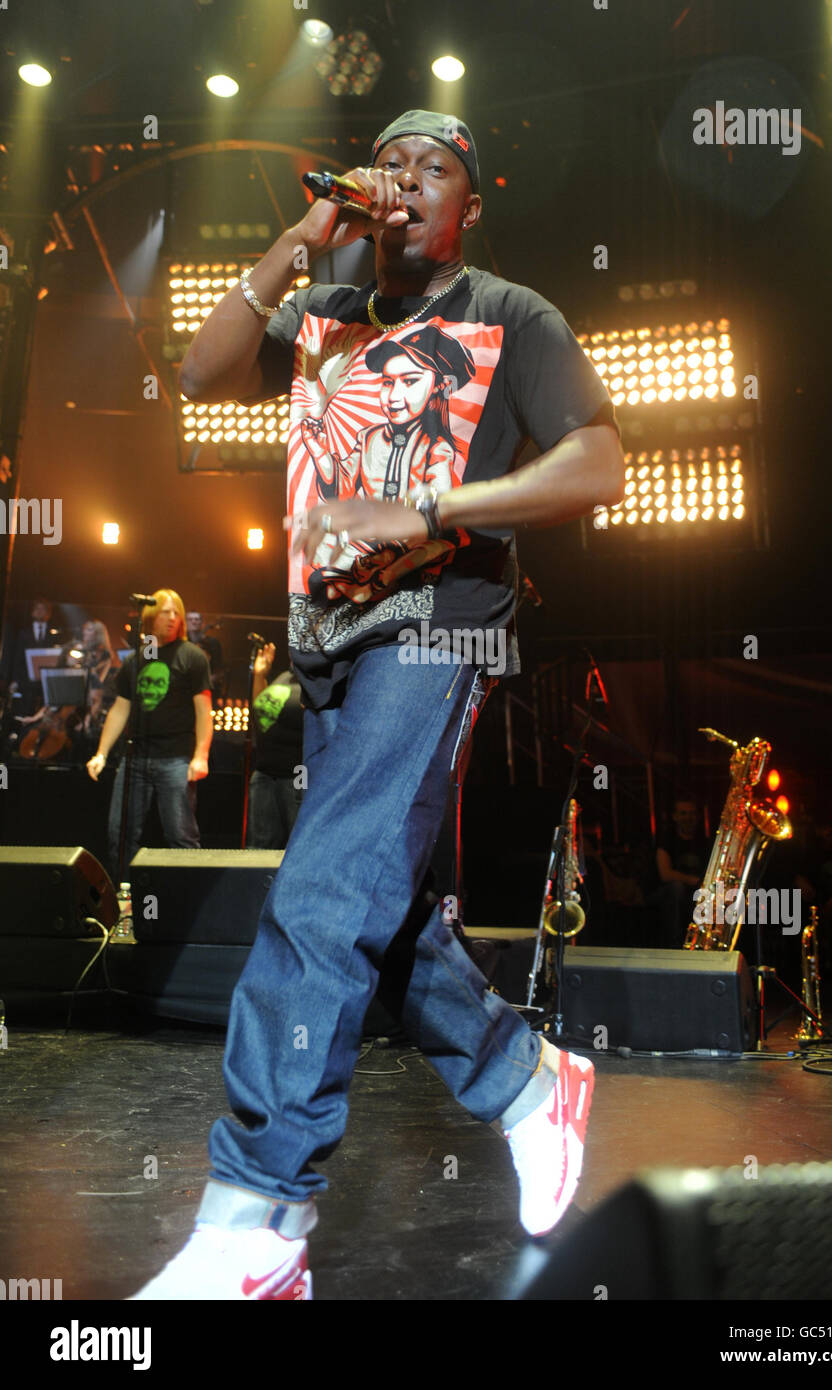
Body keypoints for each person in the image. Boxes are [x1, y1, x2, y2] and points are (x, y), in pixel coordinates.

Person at [131, 109, 624, 1301]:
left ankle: (260, 1224)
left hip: (439, 621)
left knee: (325, 886)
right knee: (381, 913)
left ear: (467, 206)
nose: (403, 182)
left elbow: (600, 463)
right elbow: (193, 371)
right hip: (326, 641)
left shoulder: (511, 315)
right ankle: (524, 1081)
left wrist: (438, 511)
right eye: (387, 163)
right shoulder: (320, 312)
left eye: (432, 169)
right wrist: (300, 239)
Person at [86, 590, 213, 878]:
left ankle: (188, 905)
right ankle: (124, 900)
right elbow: (121, 709)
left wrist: (200, 756)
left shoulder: (192, 657)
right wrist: (102, 753)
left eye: (176, 612)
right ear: (150, 617)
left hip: (176, 758)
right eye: (165, 612)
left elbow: (204, 711)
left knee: (181, 837)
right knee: (120, 835)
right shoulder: (135, 660)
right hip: (135, 759)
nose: (172, 618)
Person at [247, 641, 305, 849]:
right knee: (258, 848)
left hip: (295, 776)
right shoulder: (284, 677)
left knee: (296, 845)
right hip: (265, 773)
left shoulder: (317, 680)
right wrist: (260, 676)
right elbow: (260, 709)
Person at [654, 796, 712, 948]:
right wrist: (693, 881)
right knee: (676, 888)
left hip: (699, 893)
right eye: (683, 813)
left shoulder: (704, 842)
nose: (688, 818)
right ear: (675, 817)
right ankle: (675, 943)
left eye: (692, 813)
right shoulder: (667, 841)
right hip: (669, 894)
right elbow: (665, 874)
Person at [186, 611, 226, 699]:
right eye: (190, 619)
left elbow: (219, 670)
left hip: (207, 690)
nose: (194, 622)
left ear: (202, 623)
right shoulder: (182, 643)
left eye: (197, 619)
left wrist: (206, 682)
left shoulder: (213, 643)